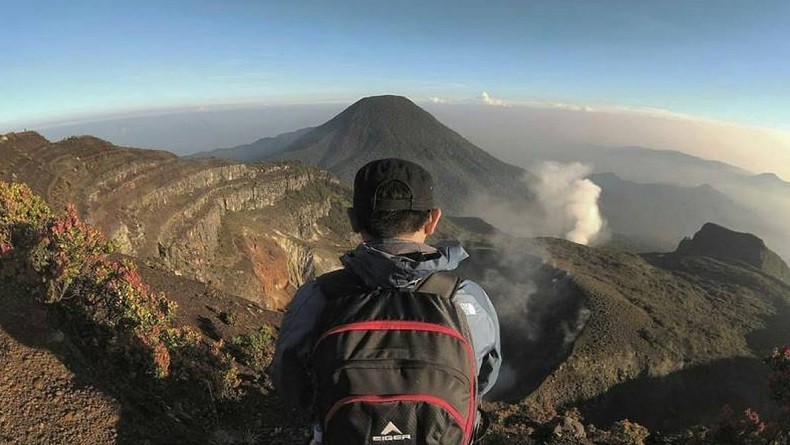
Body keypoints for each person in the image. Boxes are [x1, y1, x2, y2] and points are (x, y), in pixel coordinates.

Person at [270, 158, 501, 444]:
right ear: (432, 219)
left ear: (354, 219)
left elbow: (288, 375)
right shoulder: (465, 299)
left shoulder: (319, 297)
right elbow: (484, 376)